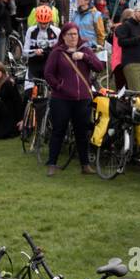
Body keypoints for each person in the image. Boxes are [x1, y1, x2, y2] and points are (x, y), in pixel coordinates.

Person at [43, 23, 104, 175]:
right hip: (61, 99)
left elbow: (99, 67)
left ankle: (85, 165)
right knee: (59, 130)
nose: (72, 37)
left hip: (82, 99)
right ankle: (52, 163)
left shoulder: (85, 50)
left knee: (82, 133)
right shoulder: (57, 52)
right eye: (69, 34)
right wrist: (59, 86)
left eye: (75, 34)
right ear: (63, 36)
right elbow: (48, 73)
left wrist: (85, 57)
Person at [23, 5, 60, 81]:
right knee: (28, 91)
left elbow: (59, 51)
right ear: (37, 20)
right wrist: (34, 52)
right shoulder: (31, 31)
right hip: (34, 65)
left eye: (45, 23)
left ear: (50, 20)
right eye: (41, 23)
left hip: (50, 65)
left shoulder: (57, 31)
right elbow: (24, 52)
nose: (43, 25)